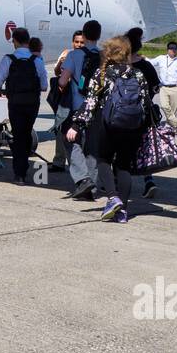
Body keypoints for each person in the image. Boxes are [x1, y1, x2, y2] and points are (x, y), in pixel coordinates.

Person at [66, 36, 149, 222]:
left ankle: (112, 197)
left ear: (109, 52)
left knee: (102, 160)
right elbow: (145, 103)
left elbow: (90, 103)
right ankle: (123, 211)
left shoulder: (103, 73)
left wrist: (76, 124)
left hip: (108, 125)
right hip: (132, 127)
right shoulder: (138, 74)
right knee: (124, 166)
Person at [0, 26, 48, 184]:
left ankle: (19, 173)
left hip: (15, 103)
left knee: (18, 135)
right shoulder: (37, 61)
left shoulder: (9, 59)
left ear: (15, 41)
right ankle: (23, 167)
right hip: (32, 103)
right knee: (26, 134)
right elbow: (44, 86)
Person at [58, 20, 102, 200]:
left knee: (70, 140)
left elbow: (62, 81)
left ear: (83, 35)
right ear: (99, 36)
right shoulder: (105, 56)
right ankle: (91, 189)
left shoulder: (74, 55)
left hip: (78, 106)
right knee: (92, 147)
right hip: (98, 108)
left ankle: (83, 179)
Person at [126, 27, 162, 198]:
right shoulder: (146, 65)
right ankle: (148, 181)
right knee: (145, 147)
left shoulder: (119, 66)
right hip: (144, 113)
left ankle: (118, 182)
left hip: (122, 114)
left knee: (121, 149)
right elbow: (156, 86)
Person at [50, 31, 85, 172]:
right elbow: (57, 72)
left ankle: (77, 163)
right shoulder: (67, 53)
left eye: (81, 42)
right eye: (76, 42)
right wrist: (61, 63)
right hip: (65, 97)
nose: (78, 45)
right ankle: (59, 160)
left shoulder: (86, 56)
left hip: (78, 97)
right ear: (72, 42)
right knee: (60, 127)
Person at [152, 40, 177, 132]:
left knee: (173, 110)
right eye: (171, 49)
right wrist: (142, 58)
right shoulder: (161, 58)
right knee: (164, 106)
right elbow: (150, 63)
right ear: (168, 50)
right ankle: (176, 123)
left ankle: (172, 127)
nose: (173, 50)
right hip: (163, 87)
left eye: (175, 49)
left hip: (176, 88)